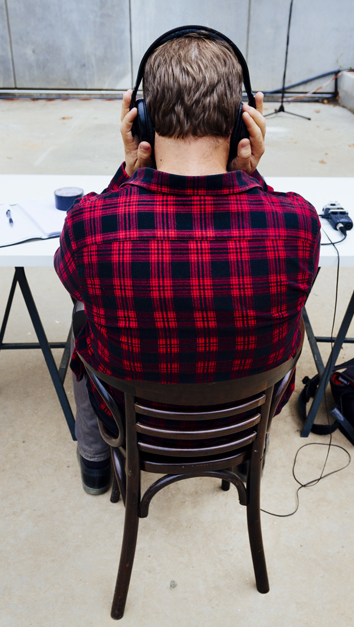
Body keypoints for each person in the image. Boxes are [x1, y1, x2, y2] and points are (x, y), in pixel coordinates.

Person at [54, 31, 321, 494]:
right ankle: (240, 454)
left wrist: (128, 170)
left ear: (143, 120)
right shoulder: (296, 223)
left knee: (83, 318)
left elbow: (71, 274)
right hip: (242, 427)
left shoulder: (90, 225)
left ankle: (96, 465)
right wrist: (250, 175)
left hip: (137, 429)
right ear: (242, 123)